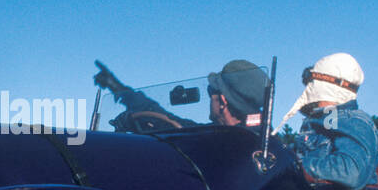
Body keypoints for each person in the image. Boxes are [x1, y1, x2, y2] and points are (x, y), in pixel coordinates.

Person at [275, 52, 378, 190]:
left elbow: (351, 172)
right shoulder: (319, 122)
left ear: (322, 85)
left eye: (311, 81)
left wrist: (296, 166)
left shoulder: (351, 121)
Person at [93, 59, 267, 130]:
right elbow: (160, 115)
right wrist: (116, 87)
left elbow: (159, 114)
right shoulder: (265, 147)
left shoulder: (211, 140)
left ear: (222, 101)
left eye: (210, 92)